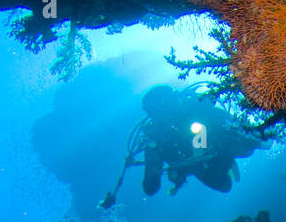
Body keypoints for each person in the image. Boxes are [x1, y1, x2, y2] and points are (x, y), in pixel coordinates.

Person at [101, 84, 258, 207]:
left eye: (168, 101)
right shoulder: (156, 136)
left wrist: (221, 136)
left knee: (249, 146)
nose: (167, 108)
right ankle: (226, 157)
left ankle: (263, 131)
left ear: (175, 97)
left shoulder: (196, 107)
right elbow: (150, 187)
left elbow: (227, 122)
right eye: (160, 106)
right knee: (224, 186)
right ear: (154, 114)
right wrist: (153, 166)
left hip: (217, 144)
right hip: (198, 163)